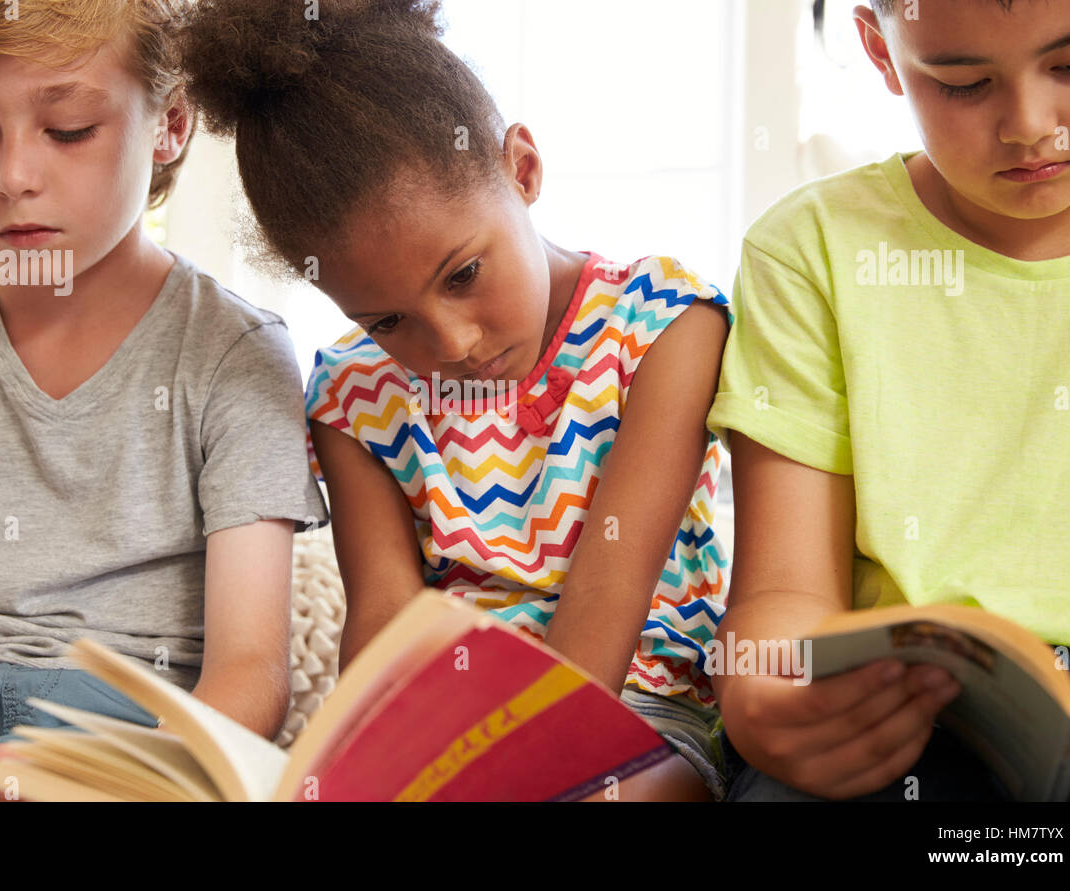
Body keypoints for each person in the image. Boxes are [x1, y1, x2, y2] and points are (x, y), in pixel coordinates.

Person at [177, 0, 732, 800]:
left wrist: (508, 769)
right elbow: (384, 622)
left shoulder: (663, 325)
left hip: (636, 712)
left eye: (464, 274)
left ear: (523, 168)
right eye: (388, 319)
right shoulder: (354, 392)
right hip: (444, 735)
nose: (452, 344)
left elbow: (608, 603)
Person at [0, 0, 328, 763]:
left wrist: (74, 777)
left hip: (136, 748)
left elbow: (250, 676)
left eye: (69, 130)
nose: (12, 177)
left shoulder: (237, 356)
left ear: (172, 123)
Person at [707, 0, 1070, 800]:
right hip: (906, 710)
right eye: (962, 82)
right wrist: (762, 698)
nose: (1031, 125)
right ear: (881, 50)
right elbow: (782, 594)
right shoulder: (810, 251)